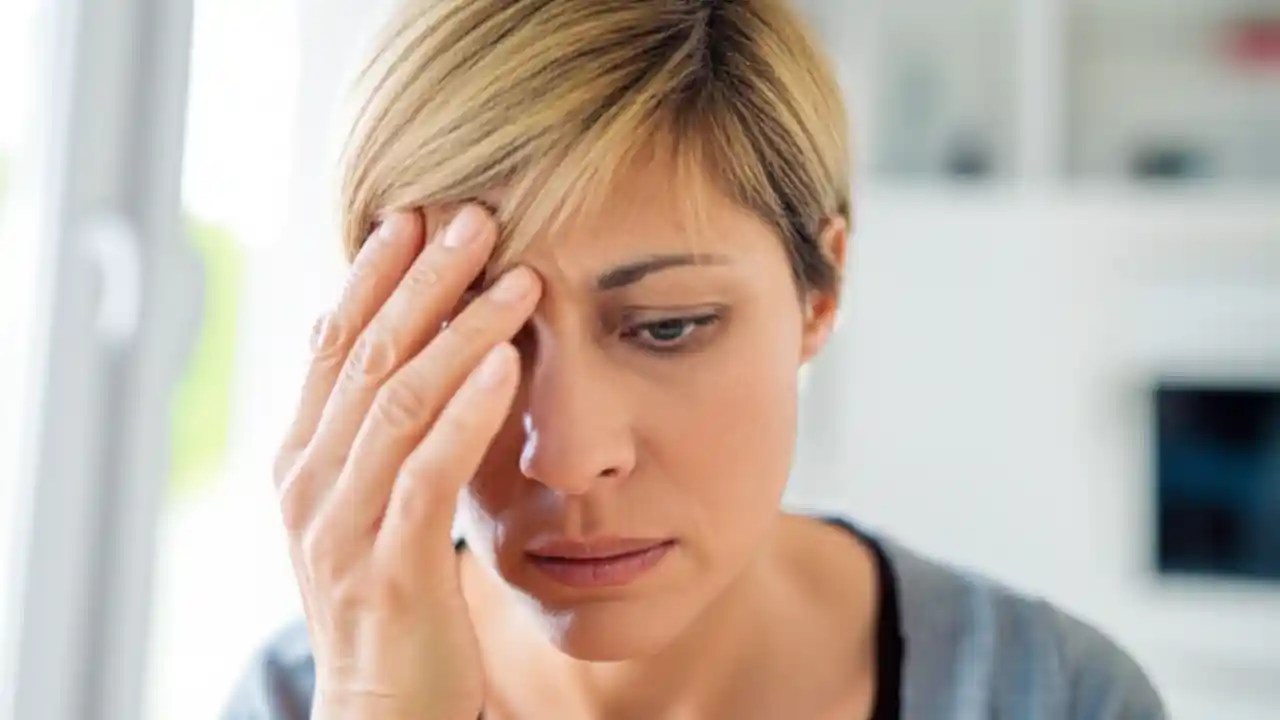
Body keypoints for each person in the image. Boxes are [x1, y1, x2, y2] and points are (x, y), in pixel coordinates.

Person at [224, 1, 1166, 718]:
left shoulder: (1045, 695)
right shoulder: (304, 696)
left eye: (667, 326)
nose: (566, 455)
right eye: (480, 337)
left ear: (819, 292)